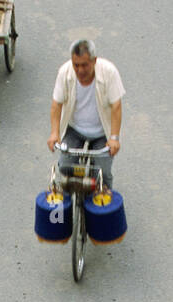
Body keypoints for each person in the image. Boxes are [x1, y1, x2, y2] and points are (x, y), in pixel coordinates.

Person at [48, 40, 124, 190]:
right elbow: (56, 105)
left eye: (84, 65)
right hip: (74, 130)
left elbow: (116, 106)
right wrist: (54, 133)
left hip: (102, 133)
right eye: (76, 65)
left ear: (94, 61)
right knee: (64, 167)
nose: (80, 70)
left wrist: (114, 138)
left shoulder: (109, 72)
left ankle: (104, 201)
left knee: (103, 172)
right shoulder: (65, 72)